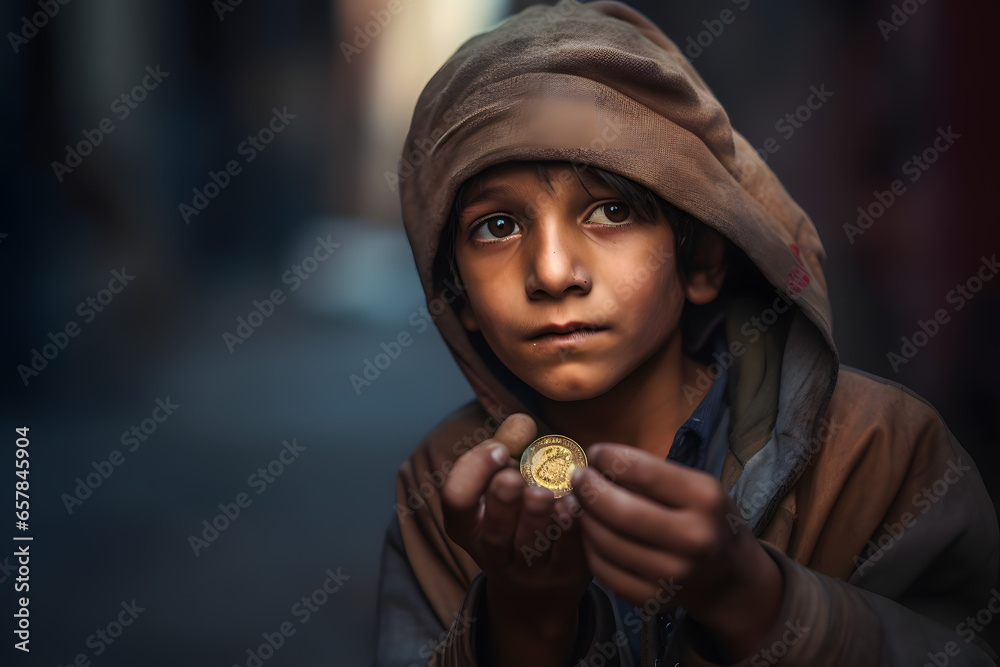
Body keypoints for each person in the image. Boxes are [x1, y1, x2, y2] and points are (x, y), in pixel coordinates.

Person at [375, 1, 999, 665]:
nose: (553, 272)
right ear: (458, 296)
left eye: (611, 210)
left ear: (700, 259)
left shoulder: (881, 450)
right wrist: (525, 619)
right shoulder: (444, 485)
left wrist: (753, 596)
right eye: (496, 227)